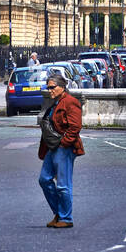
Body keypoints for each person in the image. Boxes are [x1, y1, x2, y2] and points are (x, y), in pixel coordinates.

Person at [39, 74, 84, 229]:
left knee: (63, 185)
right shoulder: (56, 102)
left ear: (62, 87)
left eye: (52, 87)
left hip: (64, 148)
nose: (49, 90)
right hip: (53, 148)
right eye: (48, 87)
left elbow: (75, 127)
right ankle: (59, 213)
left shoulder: (71, 102)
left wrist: (64, 143)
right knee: (44, 179)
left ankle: (66, 217)